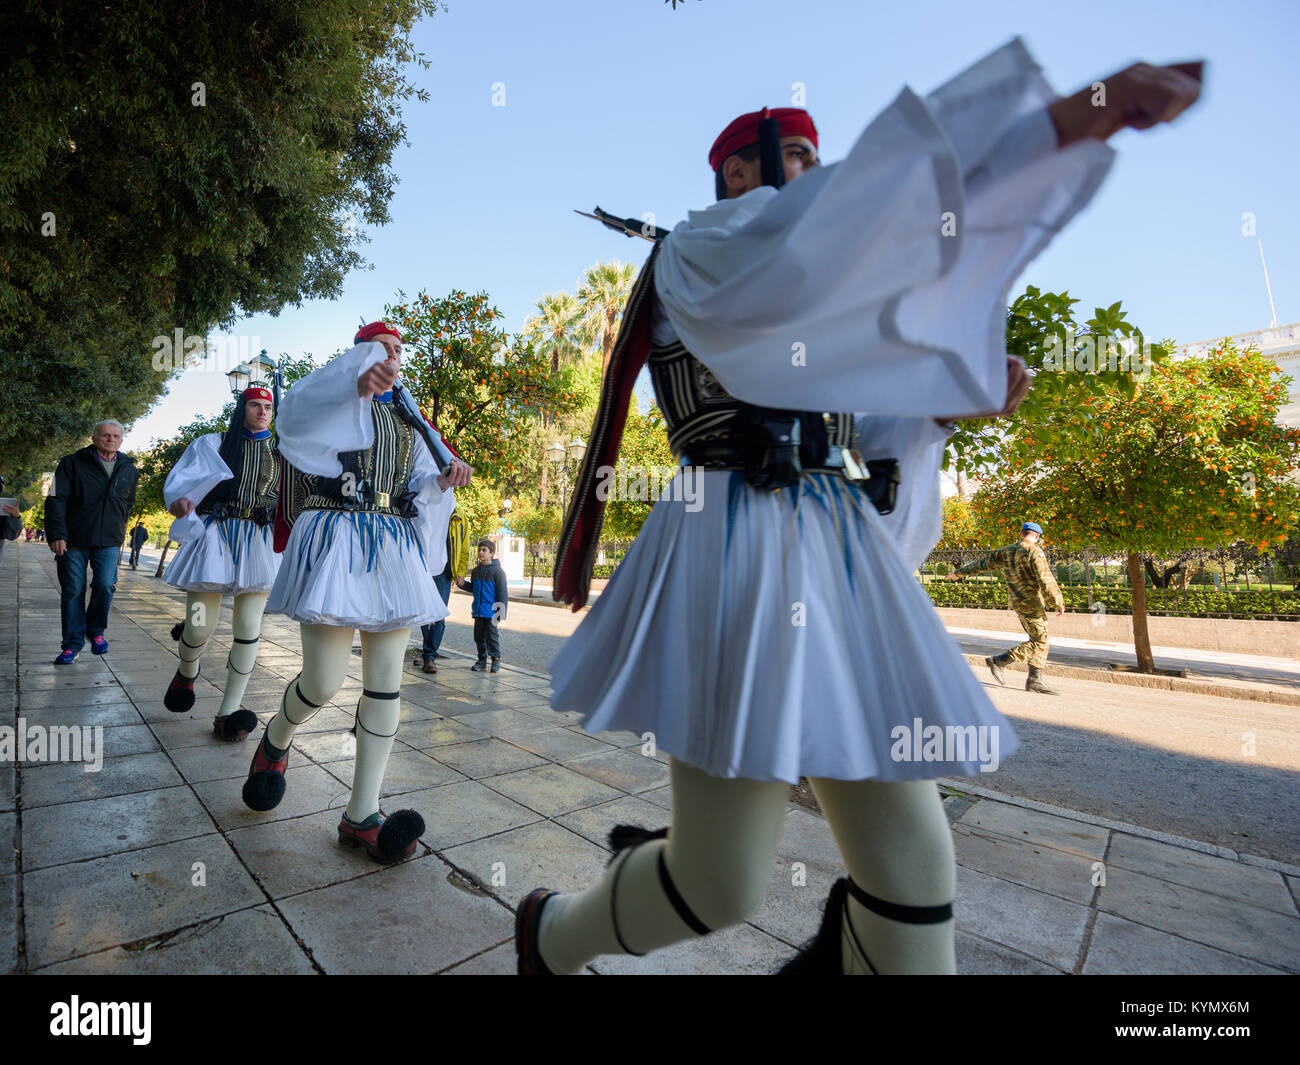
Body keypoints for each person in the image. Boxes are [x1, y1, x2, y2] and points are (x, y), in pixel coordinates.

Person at [520, 42, 1202, 975]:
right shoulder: (706, 248)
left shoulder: (794, 262)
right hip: (736, 541)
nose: (807, 177)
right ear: (734, 170)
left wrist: (936, 404)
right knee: (719, 885)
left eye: (811, 161)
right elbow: (834, 236)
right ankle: (550, 934)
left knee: (917, 878)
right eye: (790, 160)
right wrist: (1056, 123)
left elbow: (865, 427)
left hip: (831, 546)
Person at [245, 320, 472, 862]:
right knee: (322, 684)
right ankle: (277, 737)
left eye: (398, 350)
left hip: (391, 546)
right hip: (334, 537)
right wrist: (350, 385)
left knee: (386, 687)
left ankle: (362, 814)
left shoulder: (409, 418)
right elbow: (293, 420)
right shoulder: (325, 396)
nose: (393, 358)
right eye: (381, 350)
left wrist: (443, 480)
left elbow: (414, 484)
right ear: (359, 355)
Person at [160, 386, 283, 740]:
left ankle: (228, 712)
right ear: (242, 409)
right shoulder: (212, 444)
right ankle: (187, 669)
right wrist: (180, 504)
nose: (263, 412)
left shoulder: (281, 452)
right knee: (198, 627)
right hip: (213, 541)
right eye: (255, 406)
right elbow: (181, 485)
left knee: (248, 629)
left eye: (268, 408)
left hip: (258, 545)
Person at [44, 420, 139, 663]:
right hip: (73, 539)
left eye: (116, 435)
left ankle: (95, 630)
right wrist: (57, 534)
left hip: (108, 540)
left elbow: (128, 503)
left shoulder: (129, 468)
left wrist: (119, 527)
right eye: (106, 435)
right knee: (73, 591)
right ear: (94, 438)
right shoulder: (71, 463)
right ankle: (72, 644)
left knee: (106, 585)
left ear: (121, 439)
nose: (111, 439)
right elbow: (55, 499)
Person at [954, 521, 1065, 695]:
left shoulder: (1006, 552)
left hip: (1017, 602)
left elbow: (981, 564)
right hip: (1031, 603)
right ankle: (1000, 661)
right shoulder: (1034, 551)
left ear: (1021, 533)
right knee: (1040, 641)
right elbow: (1045, 579)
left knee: (1037, 639)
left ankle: (1034, 680)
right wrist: (1057, 602)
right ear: (1036, 536)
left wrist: (958, 573)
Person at [414, 506, 470, 673]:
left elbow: (465, 548)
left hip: (445, 574)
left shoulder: (460, 517)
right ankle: (427, 653)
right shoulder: (428, 511)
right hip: (425, 571)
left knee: (439, 615)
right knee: (425, 614)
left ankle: (430, 656)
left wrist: (460, 571)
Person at [455, 539, 508, 673]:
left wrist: (500, 613)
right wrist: (462, 584)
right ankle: (481, 660)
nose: (480, 552)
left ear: (491, 553)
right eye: (479, 550)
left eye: (484, 550)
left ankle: (495, 660)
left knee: (492, 638)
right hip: (478, 611)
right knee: (478, 638)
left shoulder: (498, 572)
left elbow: (502, 594)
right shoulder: (476, 571)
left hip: (492, 612)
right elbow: (474, 588)